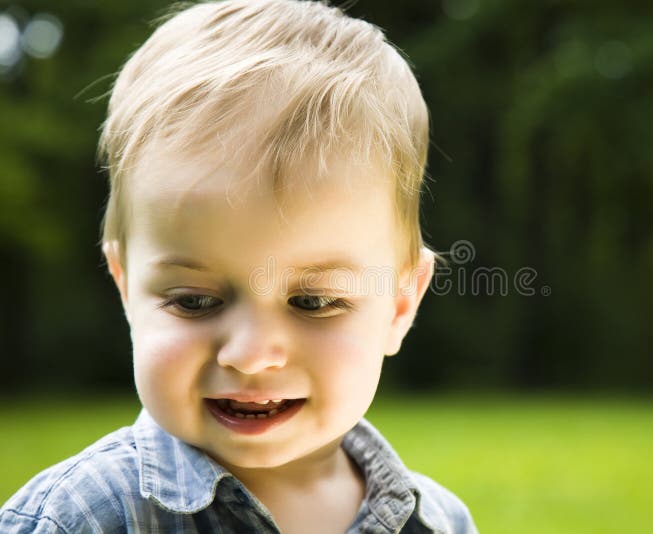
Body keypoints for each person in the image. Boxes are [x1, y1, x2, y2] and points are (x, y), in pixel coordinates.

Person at [0, 1, 478, 532]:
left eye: (313, 302)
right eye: (194, 301)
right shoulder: (82, 517)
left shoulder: (439, 522)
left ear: (400, 305)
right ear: (126, 288)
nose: (251, 356)